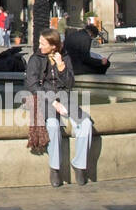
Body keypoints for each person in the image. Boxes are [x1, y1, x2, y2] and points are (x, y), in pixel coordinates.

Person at [24, 30, 92, 187]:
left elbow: (69, 84)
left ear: (53, 46)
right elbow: (32, 85)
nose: (39, 46)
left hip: (65, 97)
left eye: (43, 43)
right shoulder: (35, 59)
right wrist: (54, 102)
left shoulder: (65, 57)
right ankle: (55, 168)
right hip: (43, 98)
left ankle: (80, 165)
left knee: (86, 124)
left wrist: (61, 66)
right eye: (40, 42)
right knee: (53, 125)